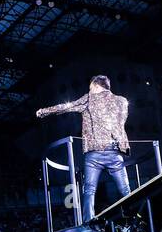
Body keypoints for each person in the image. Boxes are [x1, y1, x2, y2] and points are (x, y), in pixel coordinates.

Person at [35, 75, 131, 220]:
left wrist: (43, 111)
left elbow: (68, 106)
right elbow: (121, 121)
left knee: (89, 190)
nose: (90, 91)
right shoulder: (122, 101)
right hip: (115, 150)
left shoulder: (89, 98)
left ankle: (88, 221)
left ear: (97, 86)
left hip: (95, 152)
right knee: (125, 189)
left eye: (91, 88)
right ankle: (135, 215)